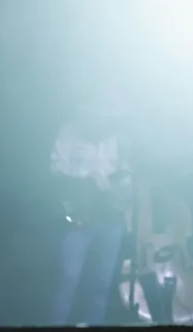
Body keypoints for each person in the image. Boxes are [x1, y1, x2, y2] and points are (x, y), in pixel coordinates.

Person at [49, 108, 132, 325]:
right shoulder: (69, 132)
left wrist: (115, 187)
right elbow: (56, 168)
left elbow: (128, 176)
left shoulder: (118, 137)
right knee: (68, 279)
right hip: (80, 216)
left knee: (102, 283)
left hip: (111, 216)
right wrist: (87, 178)